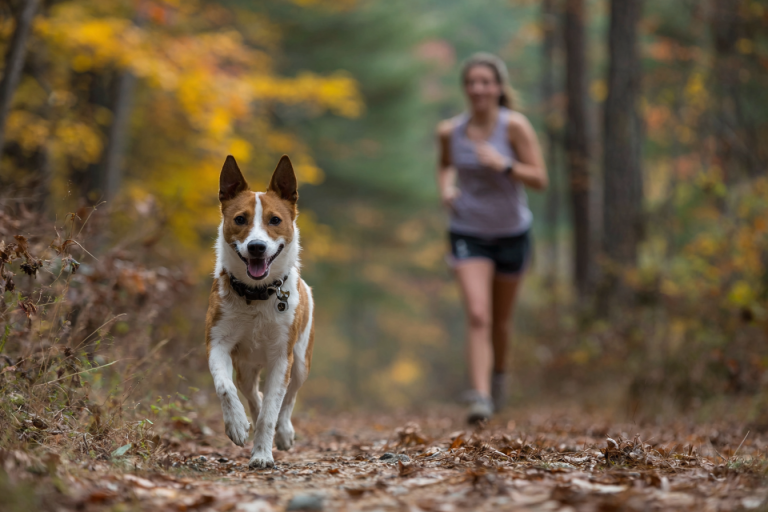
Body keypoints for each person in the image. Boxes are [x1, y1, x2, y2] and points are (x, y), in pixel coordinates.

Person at [436, 52, 548, 424]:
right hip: (468, 231)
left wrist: (506, 165)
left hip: (512, 233)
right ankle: (480, 397)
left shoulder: (514, 127)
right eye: (471, 82)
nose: (478, 89)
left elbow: (540, 179)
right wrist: (447, 188)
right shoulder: (450, 131)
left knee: (500, 321)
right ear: (465, 88)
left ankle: (499, 375)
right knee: (479, 315)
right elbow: (445, 165)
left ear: (499, 87)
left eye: (486, 82)